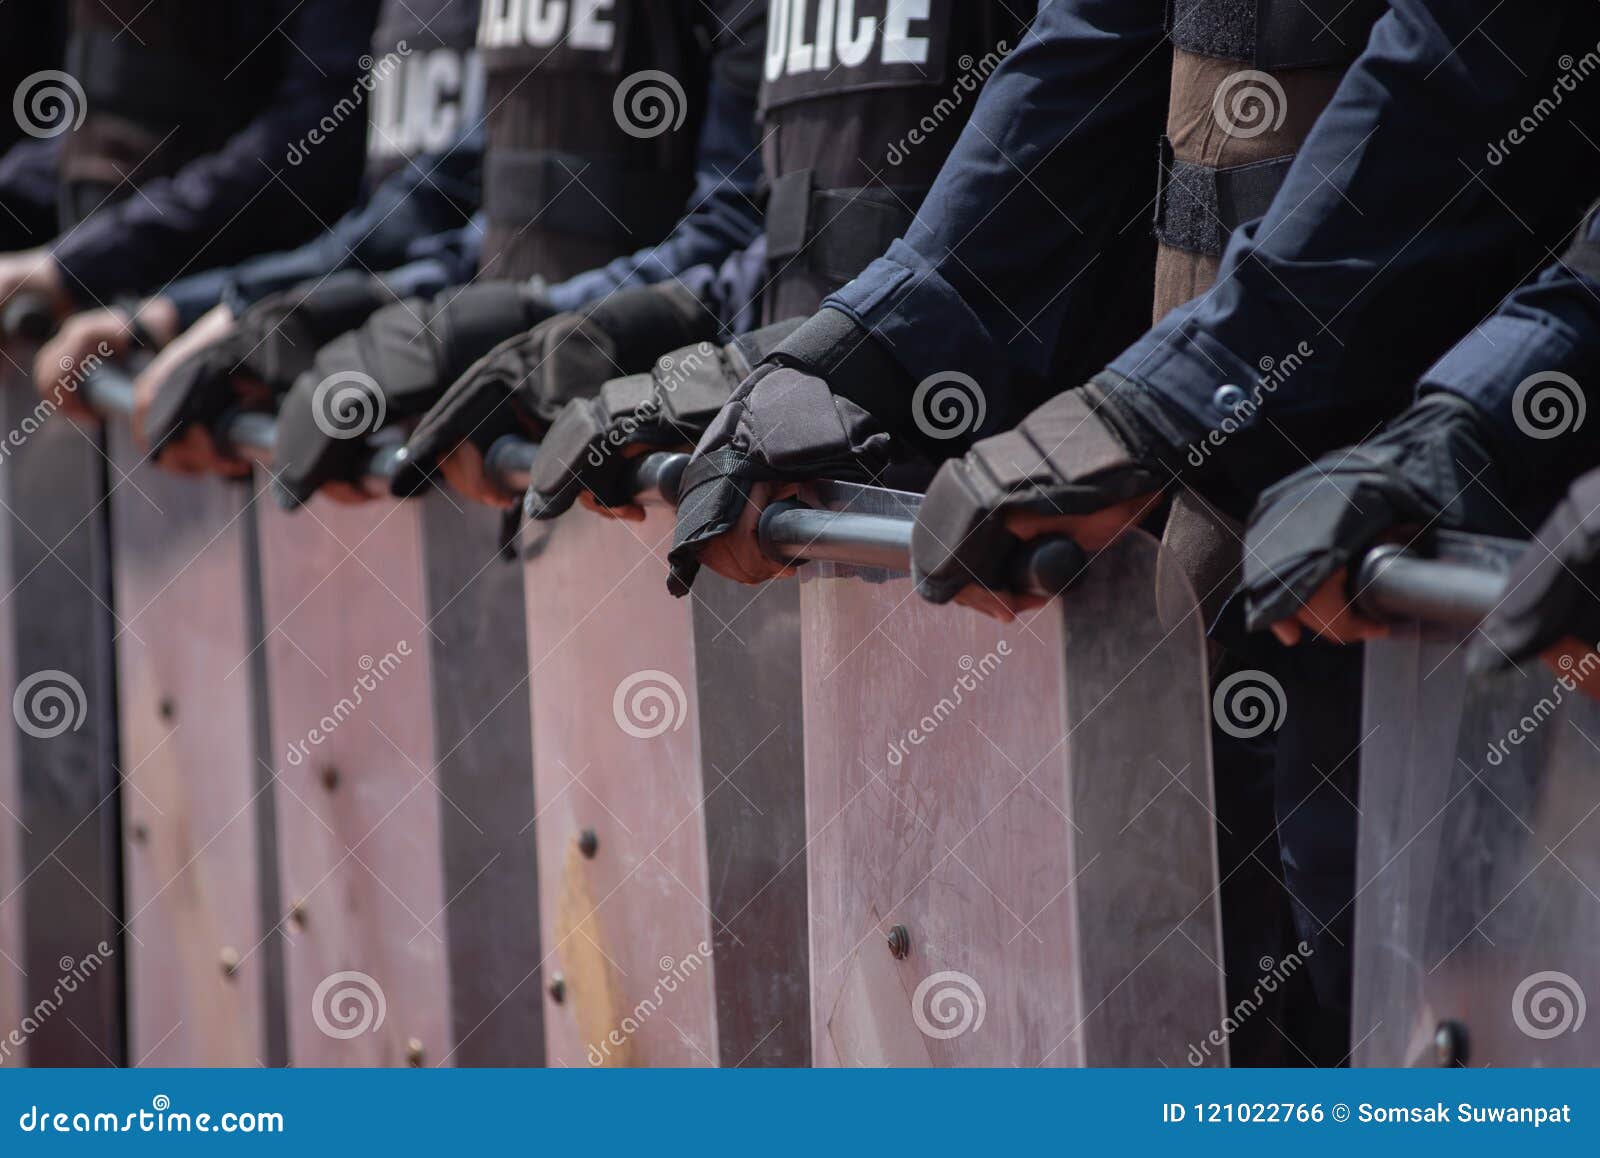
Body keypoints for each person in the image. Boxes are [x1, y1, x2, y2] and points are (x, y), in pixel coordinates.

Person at [0, 0, 379, 325]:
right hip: (101, 311)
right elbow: (109, 134)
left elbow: (307, 150)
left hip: (232, 323)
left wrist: (78, 265)